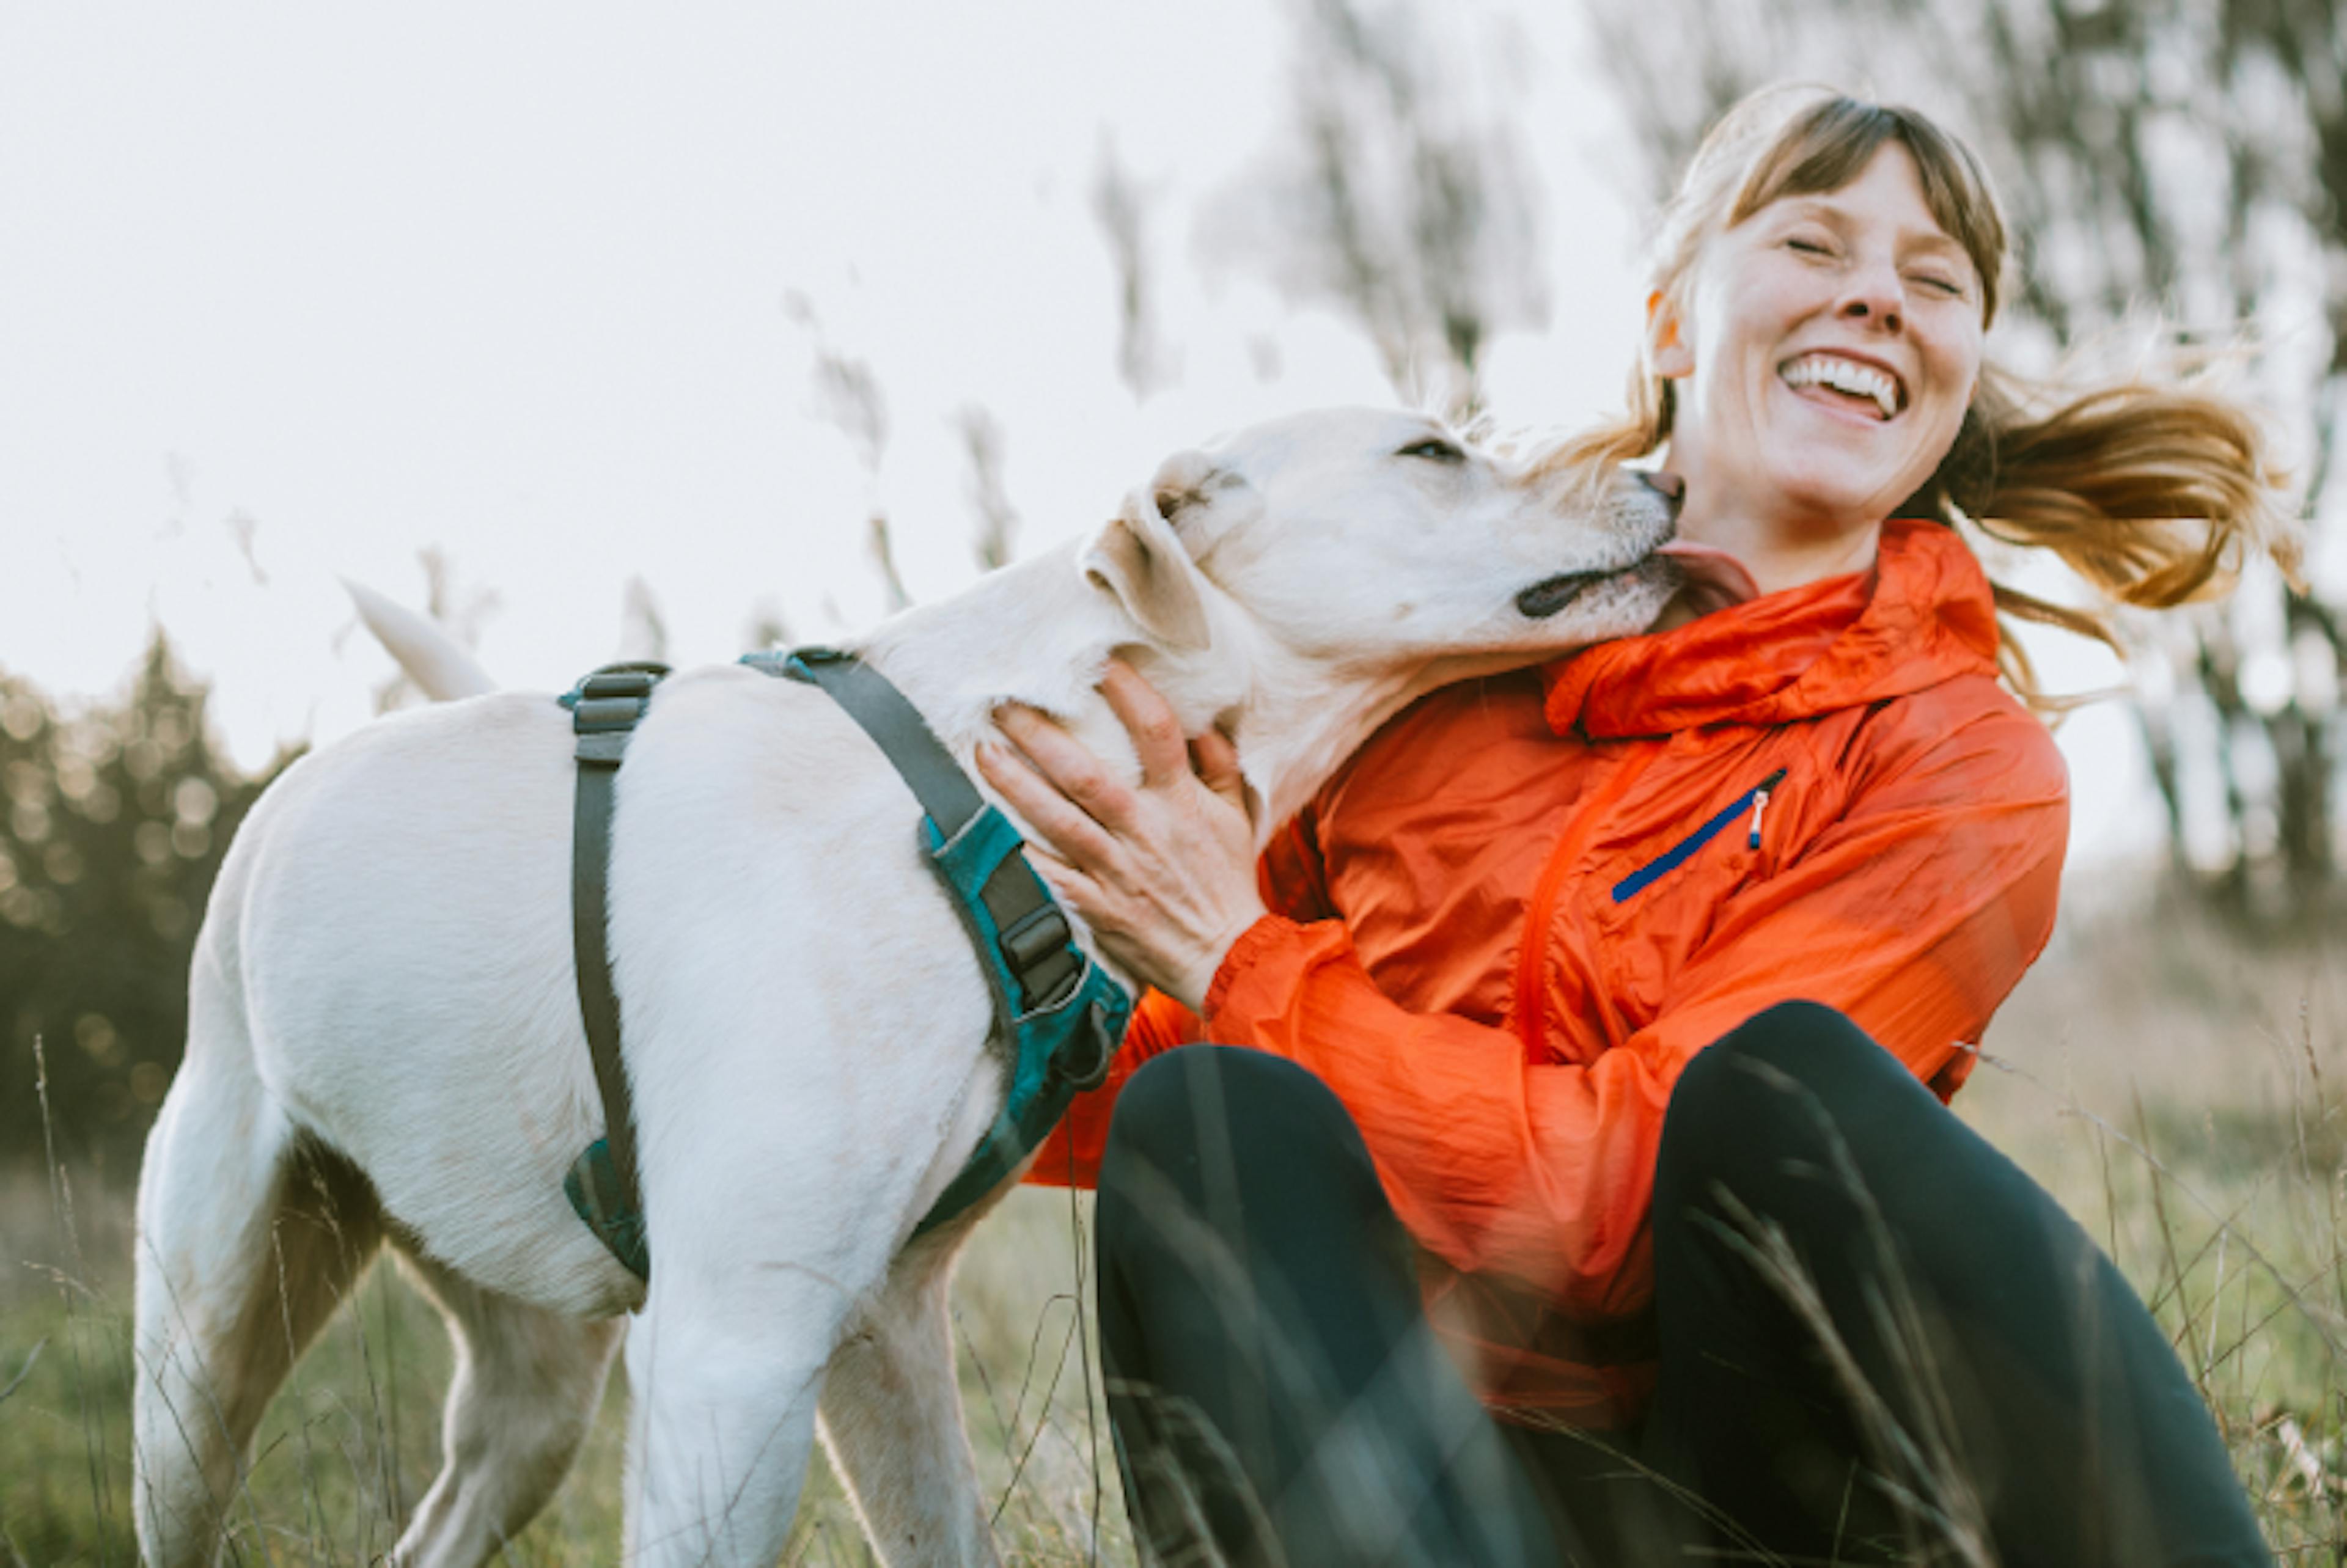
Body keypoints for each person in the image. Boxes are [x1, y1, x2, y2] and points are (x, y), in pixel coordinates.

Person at [979, 86, 2299, 1567]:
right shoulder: (1424, 674)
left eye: (1935, 282)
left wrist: (1241, 957)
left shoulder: (1958, 760)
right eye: (1816, 242)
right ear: (1672, 322)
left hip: (1760, 1497)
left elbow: (1610, 1206)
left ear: (1951, 382)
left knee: (1780, 1085)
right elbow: (1133, 1047)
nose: (1878, 293)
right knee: (1203, 1116)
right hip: (1430, 1499)